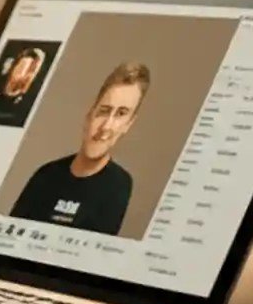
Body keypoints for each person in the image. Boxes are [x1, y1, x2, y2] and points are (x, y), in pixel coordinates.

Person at [9, 62, 150, 235]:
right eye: (104, 111)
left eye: (121, 114)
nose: (106, 126)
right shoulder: (45, 175)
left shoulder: (119, 185)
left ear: (128, 124)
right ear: (90, 114)